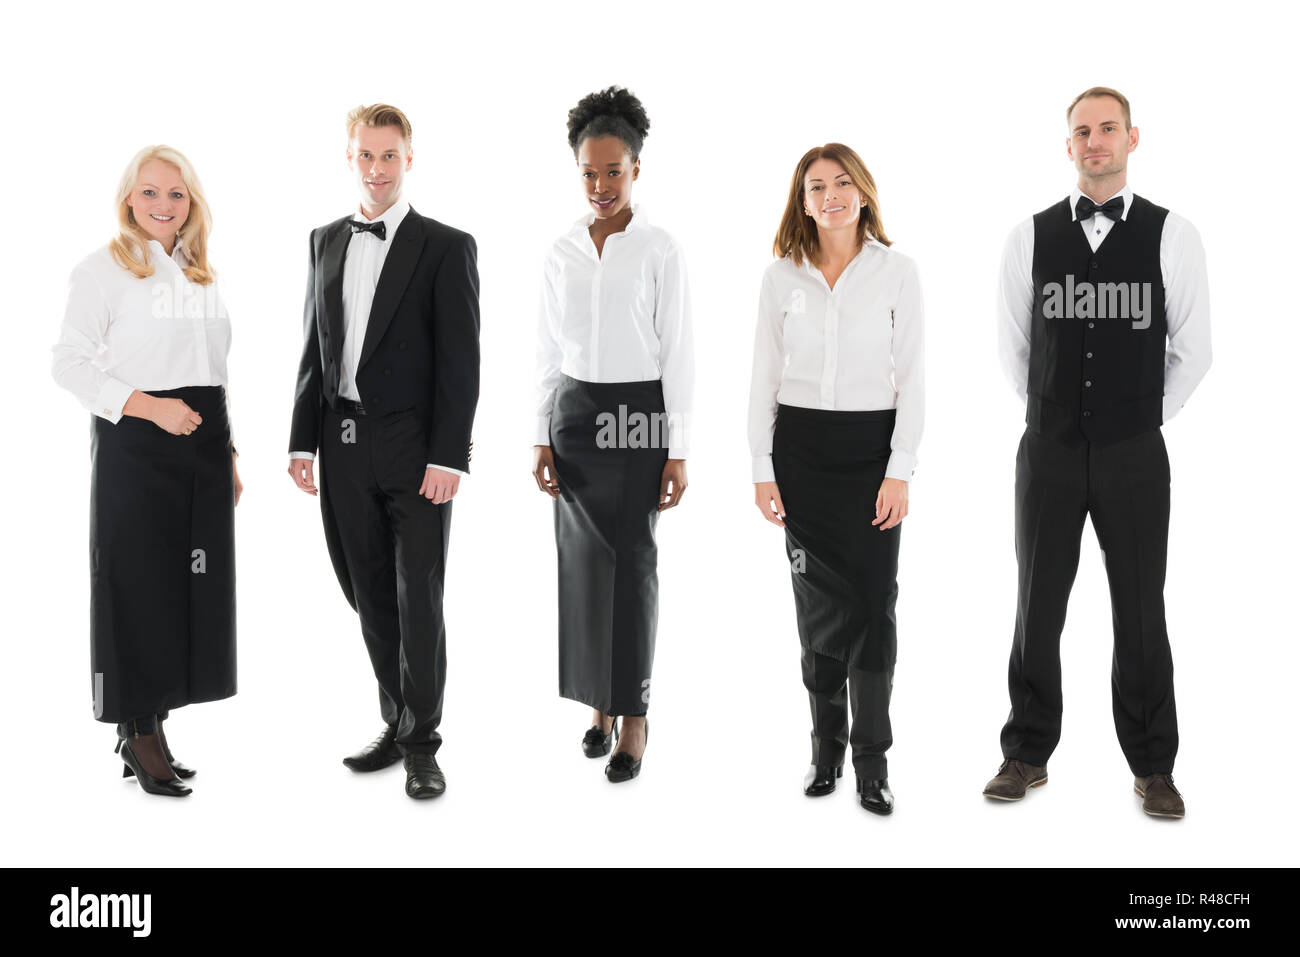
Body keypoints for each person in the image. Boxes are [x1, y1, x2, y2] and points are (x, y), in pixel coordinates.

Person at [985, 87, 1211, 819]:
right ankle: (1025, 753)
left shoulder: (1173, 235)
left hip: (1135, 454)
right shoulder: (1029, 236)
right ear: (1069, 145)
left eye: (1107, 128)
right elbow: (1014, 349)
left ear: (1132, 138)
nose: (1095, 141)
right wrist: (1055, 413)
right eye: (1082, 131)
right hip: (1047, 449)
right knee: (1035, 607)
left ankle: (1154, 766)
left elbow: (1195, 351)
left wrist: (1143, 420)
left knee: (1141, 610)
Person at [287, 104, 480, 800]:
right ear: (349, 158)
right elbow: (316, 345)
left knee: (418, 596)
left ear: (409, 159)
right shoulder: (323, 239)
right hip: (341, 442)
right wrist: (301, 438)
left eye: (389, 155)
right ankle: (395, 720)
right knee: (366, 589)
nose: (376, 168)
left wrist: (449, 456)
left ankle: (424, 743)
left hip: (413, 446)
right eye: (365, 155)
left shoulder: (446, 245)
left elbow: (462, 362)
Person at [52, 145, 241, 798]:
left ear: (193, 203)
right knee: (137, 586)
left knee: (188, 592)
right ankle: (137, 729)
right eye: (151, 192)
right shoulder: (99, 270)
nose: (164, 206)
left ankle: (153, 718)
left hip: (202, 448)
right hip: (138, 447)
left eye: (177, 194)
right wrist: (150, 408)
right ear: (129, 197)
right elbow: (69, 363)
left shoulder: (201, 271)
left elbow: (214, 370)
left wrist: (230, 451)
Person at [748, 143, 924, 815]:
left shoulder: (897, 273)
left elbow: (914, 378)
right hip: (801, 457)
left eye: (842, 182)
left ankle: (873, 764)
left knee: (874, 610)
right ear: (802, 199)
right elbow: (763, 376)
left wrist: (899, 468)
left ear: (865, 191)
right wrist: (762, 467)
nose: (831, 196)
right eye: (816, 186)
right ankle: (826, 752)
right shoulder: (781, 277)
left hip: (870, 453)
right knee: (817, 612)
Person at [532, 86, 694, 783]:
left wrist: (678, 449)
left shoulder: (659, 248)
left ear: (636, 169)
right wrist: (540, 433)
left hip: (635, 418)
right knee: (580, 568)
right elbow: (546, 347)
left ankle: (633, 715)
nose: (601, 186)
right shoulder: (561, 249)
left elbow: (678, 349)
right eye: (589, 173)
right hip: (573, 415)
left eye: (613, 172)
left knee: (632, 566)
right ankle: (595, 705)